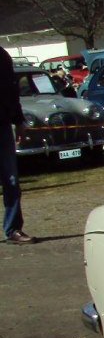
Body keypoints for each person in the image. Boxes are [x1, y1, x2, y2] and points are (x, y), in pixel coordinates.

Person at [1, 45, 34, 243]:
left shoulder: (2, 57)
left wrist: (19, 121)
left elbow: (11, 92)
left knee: (11, 180)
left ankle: (13, 229)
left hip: (2, 126)